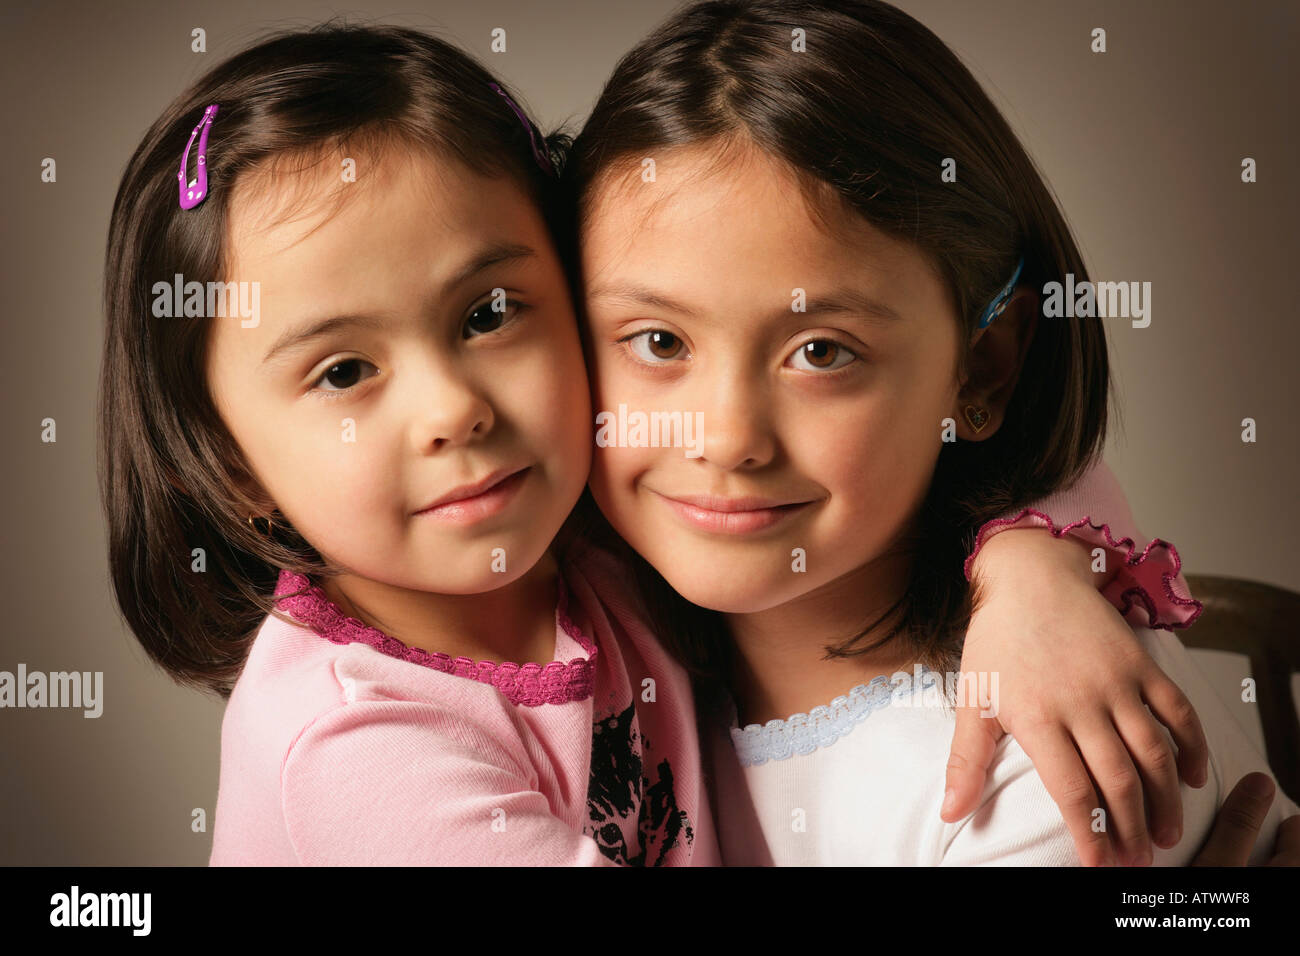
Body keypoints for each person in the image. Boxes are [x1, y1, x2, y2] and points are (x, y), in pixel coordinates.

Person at [563, 0, 1297, 864]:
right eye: (658, 342)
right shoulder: (591, 630)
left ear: (982, 369)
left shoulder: (1039, 777)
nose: (726, 440)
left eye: (821, 351)